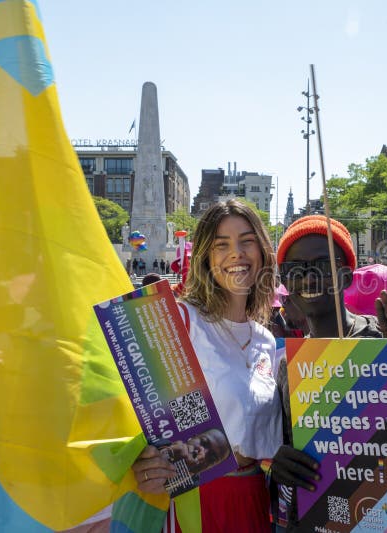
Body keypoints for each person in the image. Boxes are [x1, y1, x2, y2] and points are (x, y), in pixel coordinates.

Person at [270, 215, 387, 532]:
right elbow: (289, 457)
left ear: (345, 276)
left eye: (322, 265)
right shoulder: (290, 366)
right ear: (286, 283)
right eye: (295, 269)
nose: (308, 277)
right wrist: (279, 466)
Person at [131, 199, 282, 532]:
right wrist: (141, 457)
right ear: (205, 258)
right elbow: (130, 412)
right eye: (221, 245)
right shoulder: (181, 320)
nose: (236, 254)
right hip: (195, 502)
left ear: (262, 251)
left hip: (254, 500)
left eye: (247, 241)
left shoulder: (266, 340)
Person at [163, 428, 232, 475]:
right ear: (194, 437)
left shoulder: (197, 489)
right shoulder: (160, 442)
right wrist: (164, 454)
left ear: (211, 467)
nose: (203, 454)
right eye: (204, 443)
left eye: (212, 458)